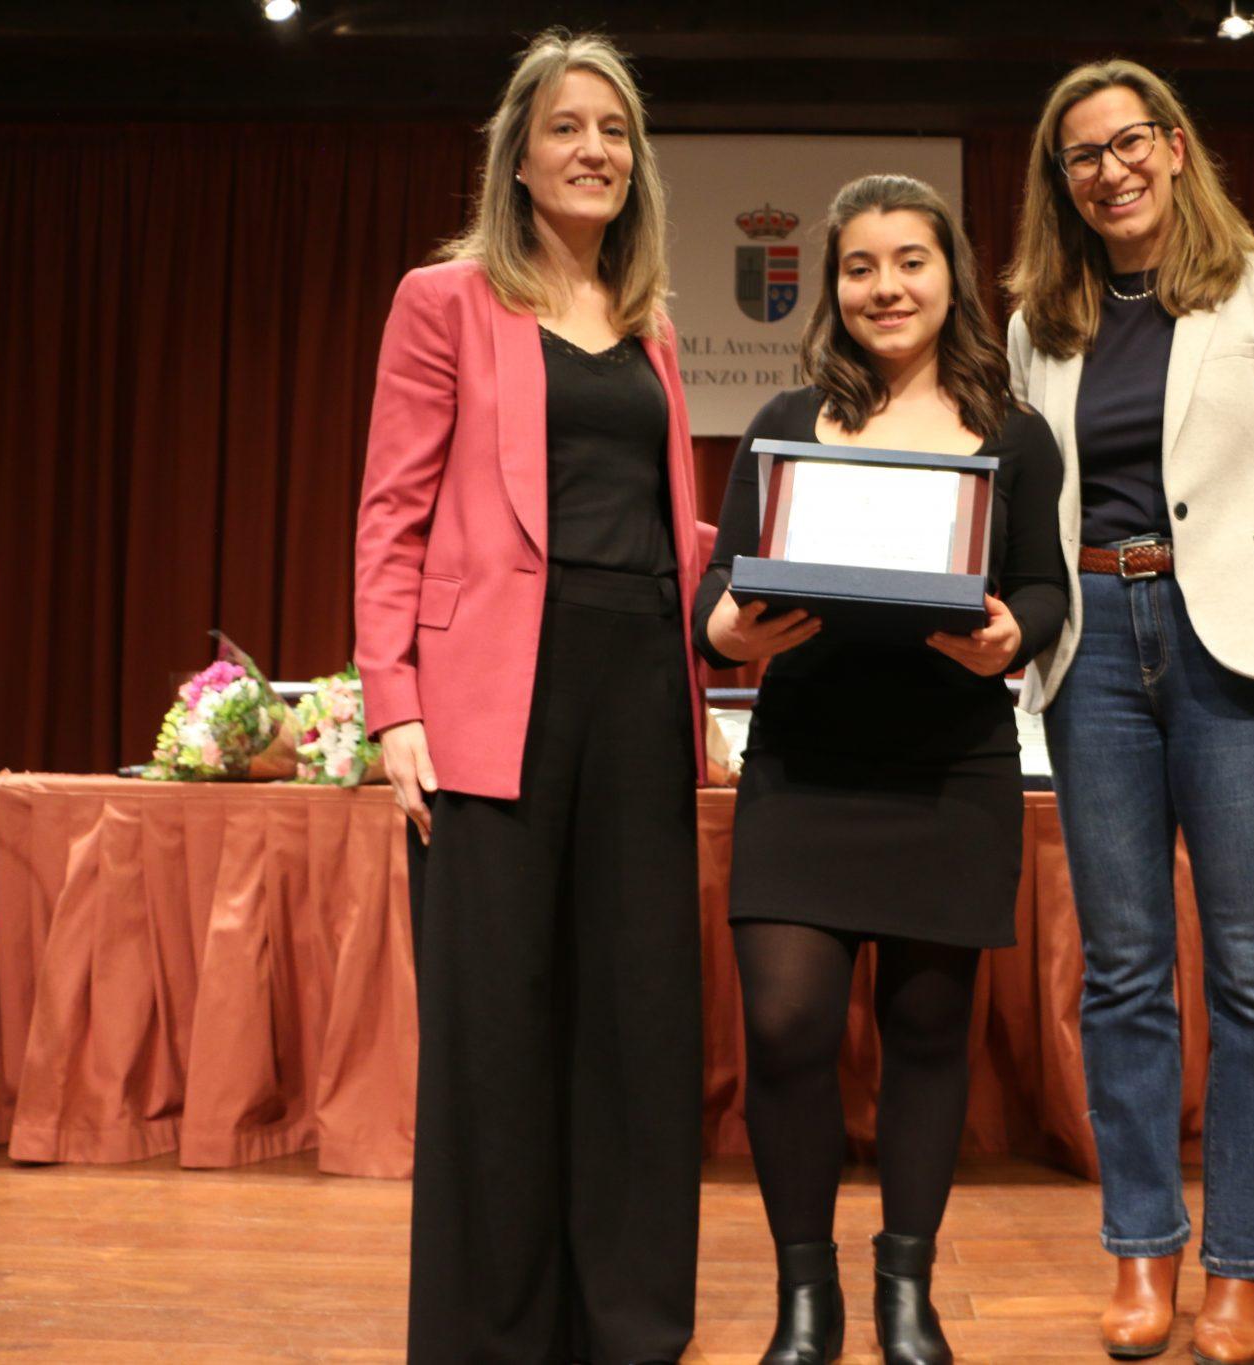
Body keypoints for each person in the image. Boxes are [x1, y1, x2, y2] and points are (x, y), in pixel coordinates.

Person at [1004, 59, 1254, 1365]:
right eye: (1079, 157)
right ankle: (1143, 1250)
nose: (1108, 171)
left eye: (1125, 144)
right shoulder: (1038, 320)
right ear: (1063, 181)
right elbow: (1027, 509)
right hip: (1094, 648)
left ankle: (1250, 1265)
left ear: (1172, 146)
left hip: (1242, 655)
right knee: (1122, 974)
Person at [353, 28, 707, 1364]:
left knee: (634, 1013)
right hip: (493, 694)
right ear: (518, 151)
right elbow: (390, 515)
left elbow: (669, 531)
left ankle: (625, 1318)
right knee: (495, 1022)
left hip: (638, 689)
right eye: (568, 126)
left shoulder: (654, 328)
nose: (596, 150)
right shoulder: (443, 301)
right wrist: (396, 705)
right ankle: (490, 1329)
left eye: (615, 131)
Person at [692, 173, 1068, 1365]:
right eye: (860, 266)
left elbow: (1047, 586)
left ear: (951, 273)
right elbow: (718, 589)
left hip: (947, 767)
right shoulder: (785, 423)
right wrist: (726, 635)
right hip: (802, 763)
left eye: (909, 260)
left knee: (924, 1032)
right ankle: (806, 1298)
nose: (885, 286)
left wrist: (1021, 631)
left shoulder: (1012, 431)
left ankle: (905, 1289)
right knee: (791, 1027)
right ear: (832, 285)